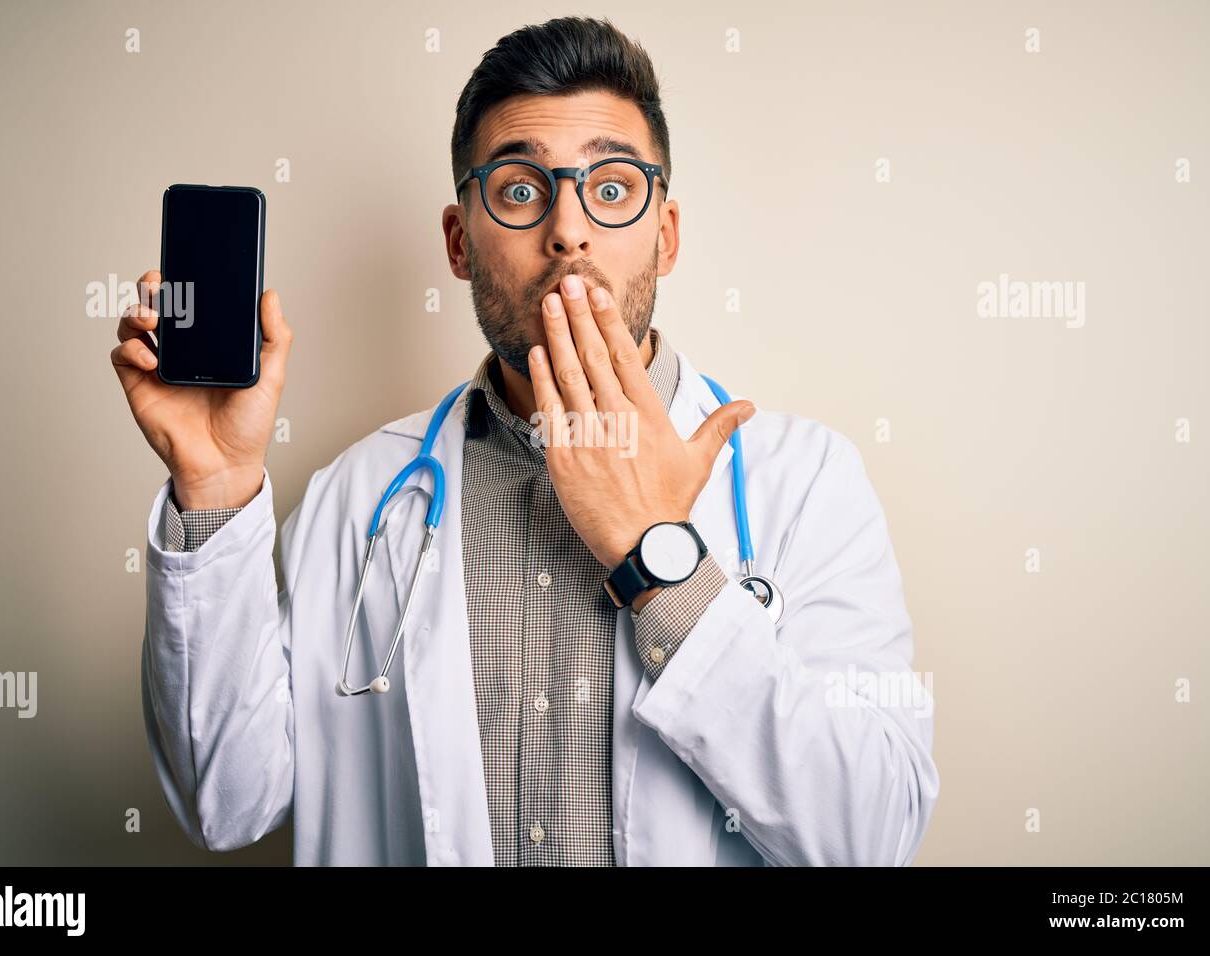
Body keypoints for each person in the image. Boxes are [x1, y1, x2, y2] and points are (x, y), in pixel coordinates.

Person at [112, 15, 939, 866]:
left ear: (669, 234)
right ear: (460, 242)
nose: (569, 231)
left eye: (612, 189)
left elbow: (870, 834)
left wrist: (662, 560)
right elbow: (226, 803)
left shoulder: (807, 483)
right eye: (519, 188)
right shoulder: (355, 498)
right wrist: (212, 483)